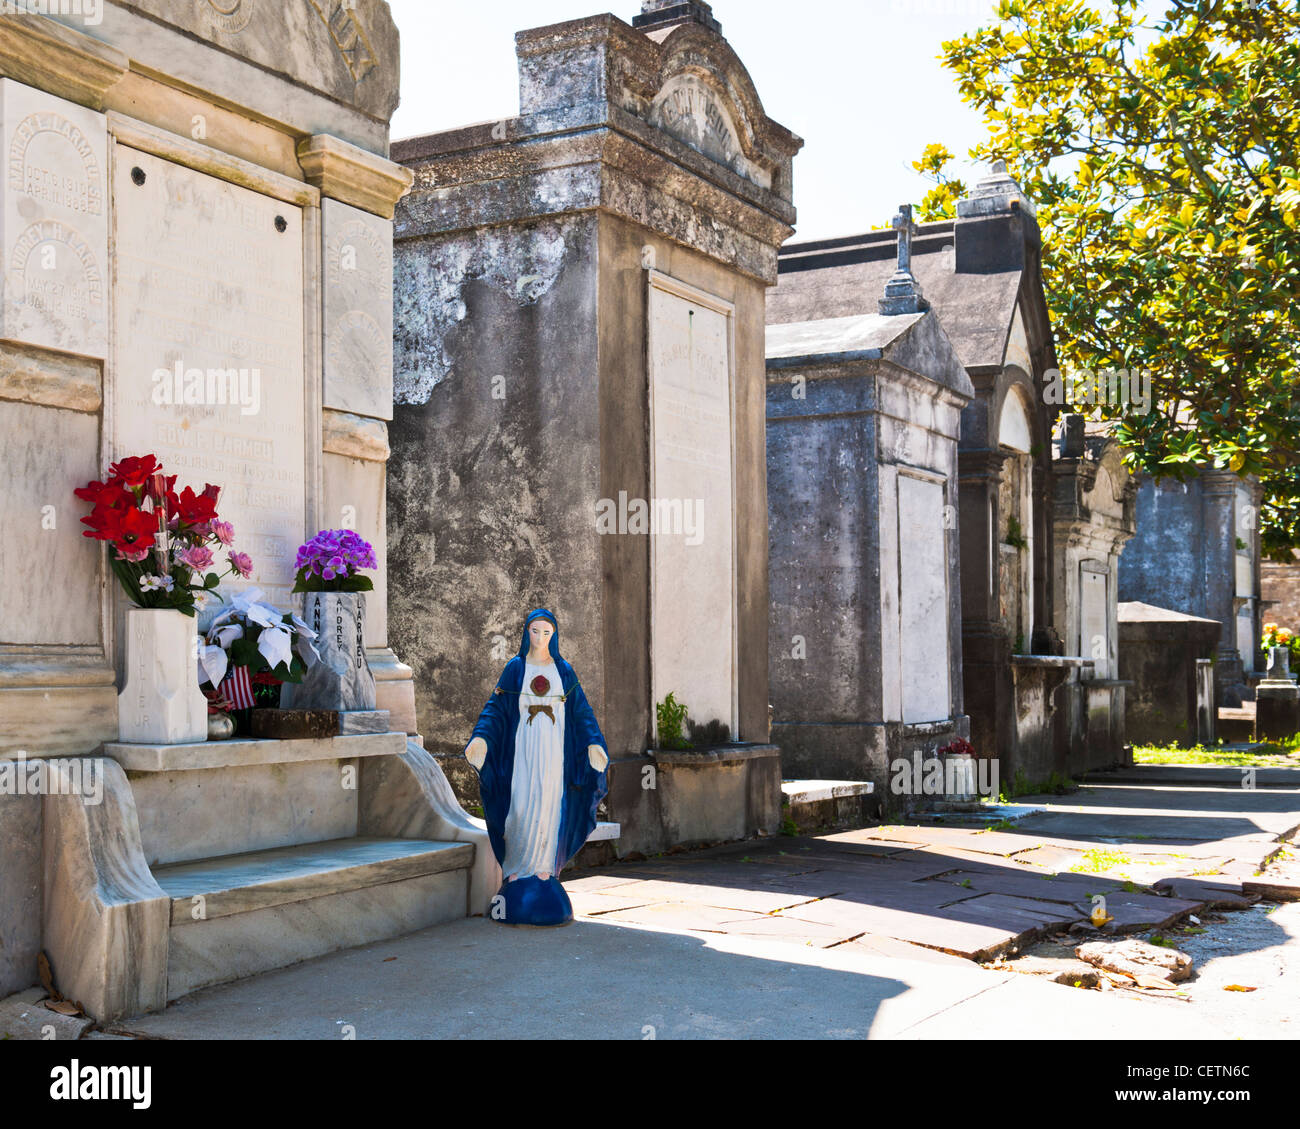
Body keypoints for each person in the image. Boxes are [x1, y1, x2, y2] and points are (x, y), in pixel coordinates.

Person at [465, 609, 609, 926]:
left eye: (547, 632)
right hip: (522, 753)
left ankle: (546, 866)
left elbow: (582, 713)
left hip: (553, 754)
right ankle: (515, 868)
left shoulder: (564, 671)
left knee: (548, 806)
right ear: (526, 633)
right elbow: (496, 710)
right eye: (535, 631)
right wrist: (482, 740)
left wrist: (593, 745)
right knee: (520, 806)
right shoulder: (516, 669)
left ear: (554, 636)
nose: (541, 638)